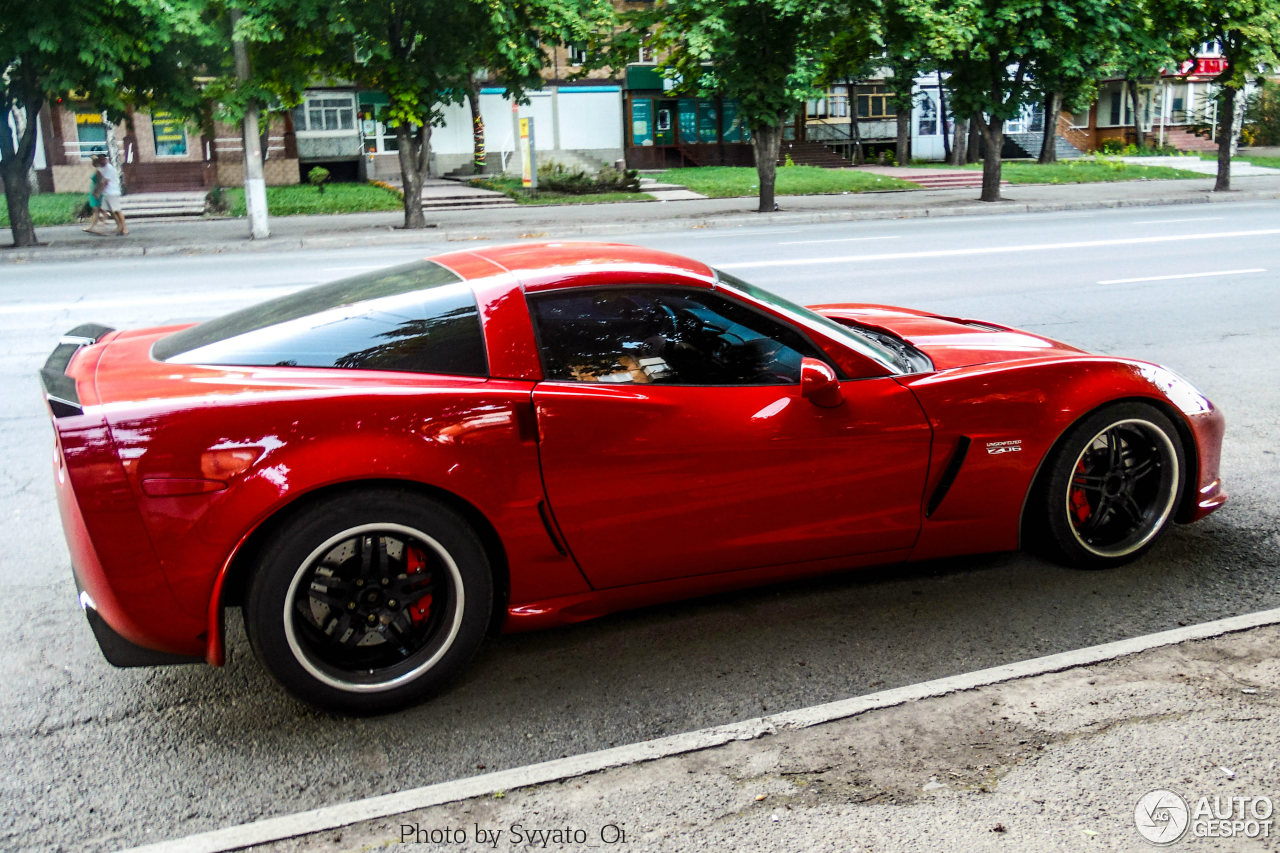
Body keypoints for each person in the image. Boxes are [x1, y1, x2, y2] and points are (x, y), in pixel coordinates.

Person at [93, 154, 128, 236]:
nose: (102, 161)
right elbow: (99, 180)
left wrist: (98, 192)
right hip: (106, 193)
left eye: (103, 159)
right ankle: (119, 226)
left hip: (112, 192)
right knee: (111, 211)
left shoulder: (109, 168)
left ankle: (124, 228)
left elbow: (105, 182)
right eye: (100, 160)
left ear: (105, 160)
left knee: (117, 210)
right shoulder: (102, 168)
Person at [81, 168, 105, 233]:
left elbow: (100, 182)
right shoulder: (99, 169)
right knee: (98, 209)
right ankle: (102, 223)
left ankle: (93, 226)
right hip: (94, 190)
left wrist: (96, 192)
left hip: (95, 191)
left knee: (96, 210)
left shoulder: (99, 170)